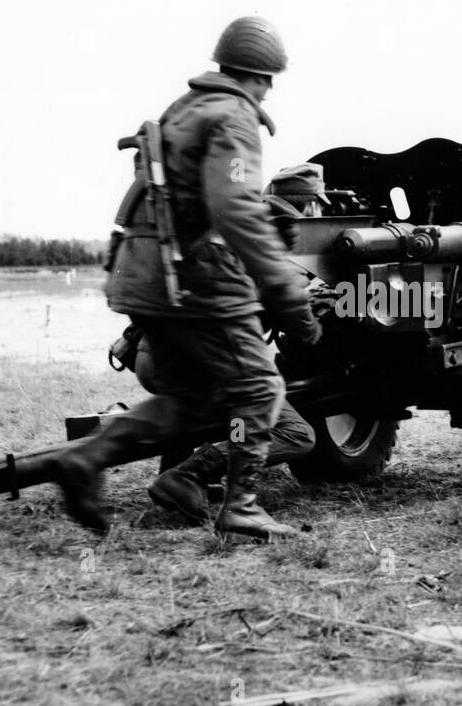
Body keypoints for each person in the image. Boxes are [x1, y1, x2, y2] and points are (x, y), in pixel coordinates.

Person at [53, 16, 321, 540]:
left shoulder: (185, 110)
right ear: (261, 75)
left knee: (192, 402)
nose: (268, 90)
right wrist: (292, 298)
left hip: (143, 278)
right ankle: (241, 508)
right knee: (261, 389)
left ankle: (86, 458)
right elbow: (237, 211)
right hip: (195, 281)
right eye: (268, 80)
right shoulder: (233, 117)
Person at [141, 162, 331, 525]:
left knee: (210, 408)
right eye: (319, 206)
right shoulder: (278, 242)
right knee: (296, 435)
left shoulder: (235, 224)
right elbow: (299, 335)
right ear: (309, 205)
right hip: (210, 363)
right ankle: (188, 474)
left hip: (157, 356)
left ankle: (175, 479)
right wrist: (313, 307)